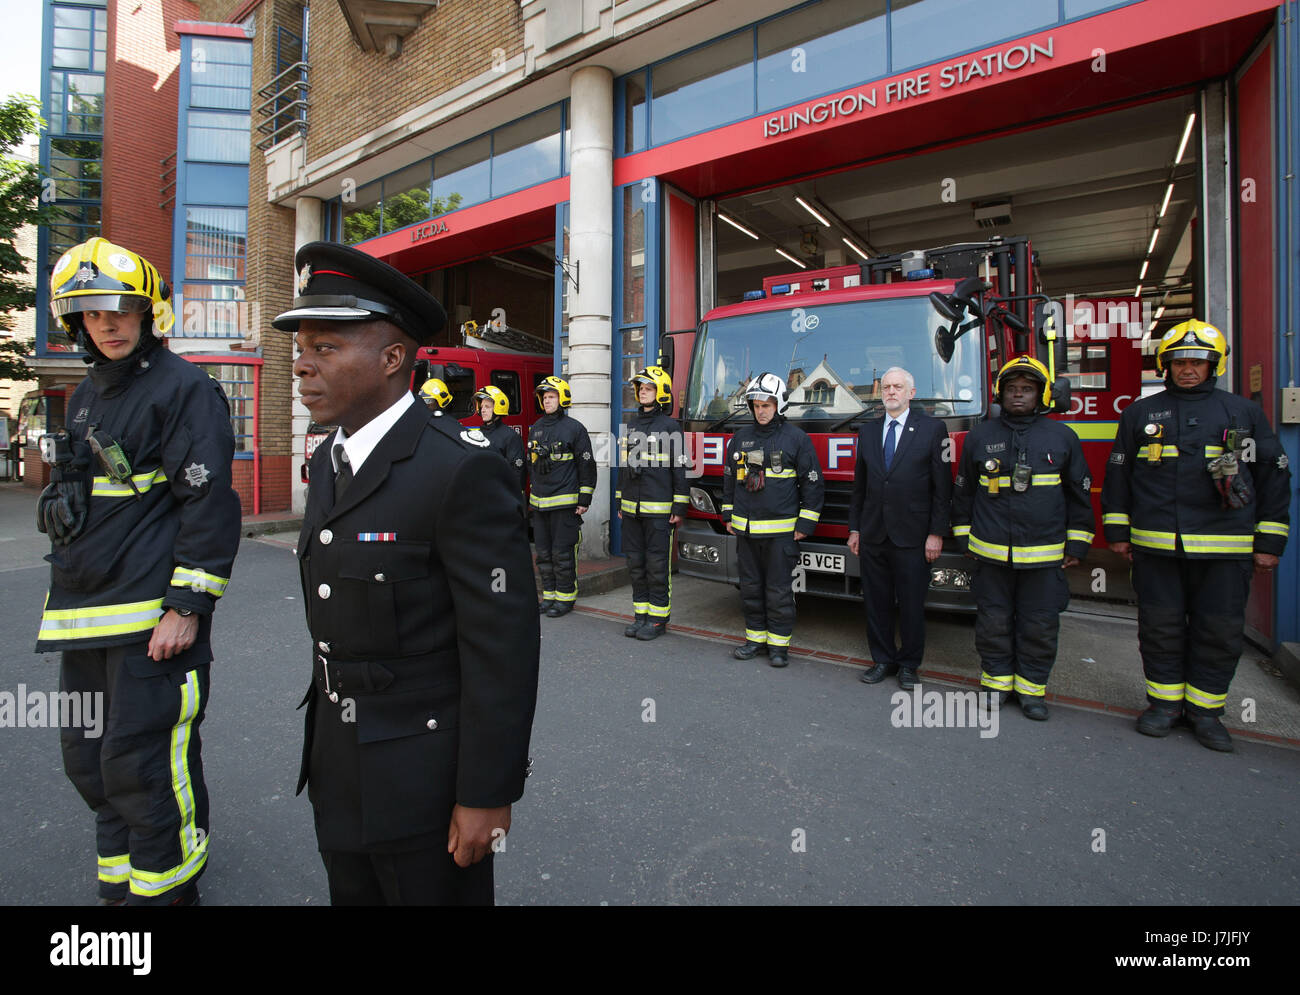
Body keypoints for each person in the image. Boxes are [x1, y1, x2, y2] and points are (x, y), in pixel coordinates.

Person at [276, 241, 539, 905]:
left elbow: (501, 646)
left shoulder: (459, 467)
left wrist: (487, 791)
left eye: (326, 348)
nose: (302, 365)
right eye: (300, 347)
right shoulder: (329, 460)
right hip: (337, 760)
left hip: (426, 780)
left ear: (393, 357)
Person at [35, 236, 240, 906]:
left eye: (121, 308)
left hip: (152, 622)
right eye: (92, 314)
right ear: (76, 323)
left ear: (150, 311)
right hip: (85, 618)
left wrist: (187, 604)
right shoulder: (87, 395)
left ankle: (168, 894)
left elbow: (209, 502)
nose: (109, 324)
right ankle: (122, 897)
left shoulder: (184, 390)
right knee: (91, 762)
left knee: (144, 762)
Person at [1101, 320, 1291, 751]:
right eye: (1180, 362)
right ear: (1166, 366)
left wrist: (1269, 543)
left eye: (1198, 362)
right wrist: (1117, 530)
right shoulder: (1140, 414)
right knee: (1159, 628)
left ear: (1214, 366)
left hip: (1226, 550)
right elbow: (1119, 476)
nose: (1188, 369)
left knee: (1218, 632)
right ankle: (1164, 706)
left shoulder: (1242, 413)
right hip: (1156, 548)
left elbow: (1274, 476)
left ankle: (1206, 714)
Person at [950, 356, 1094, 721]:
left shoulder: (1062, 437)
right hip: (991, 554)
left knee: (1039, 625)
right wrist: (964, 537)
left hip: (1044, 557)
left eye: (1027, 389)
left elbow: (1079, 494)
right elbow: (964, 491)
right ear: (1000, 394)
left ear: (1041, 394)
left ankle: (1032, 691)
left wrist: (1077, 544)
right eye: (1012, 389)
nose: (1018, 396)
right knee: (993, 622)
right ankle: (996, 684)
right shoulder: (982, 436)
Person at [847, 366, 951, 689]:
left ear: (911, 393)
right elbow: (859, 487)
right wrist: (855, 529)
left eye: (898, 387)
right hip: (874, 534)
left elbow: (942, 487)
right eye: (887, 387)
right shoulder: (867, 432)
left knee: (910, 604)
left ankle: (908, 664)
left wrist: (936, 533)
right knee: (876, 602)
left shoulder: (933, 430)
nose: (891, 392)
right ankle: (882, 659)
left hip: (914, 535)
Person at [722, 372, 824, 668]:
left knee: (778, 590)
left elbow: (813, 484)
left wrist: (805, 524)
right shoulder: (740, 439)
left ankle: (779, 646)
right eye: (756, 405)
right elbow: (730, 479)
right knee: (750, 588)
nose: (761, 410)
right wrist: (728, 514)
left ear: (779, 404)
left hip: (781, 534)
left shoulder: (796, 439)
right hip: (746, 531)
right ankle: (755, 639)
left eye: (767, 404)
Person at [617, 366, 689, 641]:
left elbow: (680, 468)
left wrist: (679, 507)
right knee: (636, 564)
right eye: (640, 388)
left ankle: (657, 620)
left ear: (660, 392)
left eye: (648, 388)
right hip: (632, 509)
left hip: (659, 511)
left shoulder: (670, 427)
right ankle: (640, 616)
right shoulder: (631, 425)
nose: (643, 392)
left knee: (657, 566)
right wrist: (619, 501)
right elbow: (624, 466)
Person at [528, 375, 595, 617]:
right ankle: (549, 596)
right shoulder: (535, 428)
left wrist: (584, 499)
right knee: (543, 555)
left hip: (565, 504)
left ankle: (566, 599)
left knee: (562, 554)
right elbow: (531, 467)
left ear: (562, 398)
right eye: (544, 397)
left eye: (551, 396)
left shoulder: (574, 429)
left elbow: (587, 465)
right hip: (540, 504)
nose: (546, 401)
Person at [470, 384, 526, 494]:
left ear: (498, 408)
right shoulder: (478, 434)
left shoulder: (510, 436)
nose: (483, 410)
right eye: (482, 407)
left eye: (487, 407)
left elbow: (517, 473)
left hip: (501, 495)